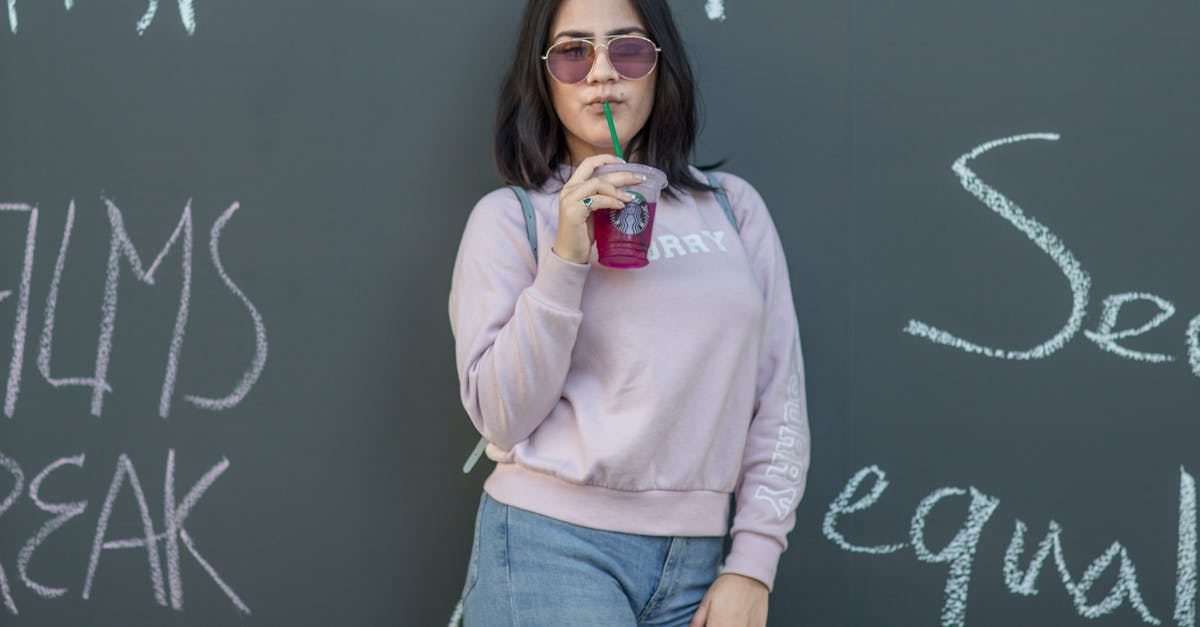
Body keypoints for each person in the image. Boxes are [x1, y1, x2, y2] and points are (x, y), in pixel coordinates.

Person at [448, 0, 810, 624]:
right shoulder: (510, 219)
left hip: (701, 563)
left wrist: (753, 562)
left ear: (659, 67)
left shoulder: (733, 209)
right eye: (571, 52)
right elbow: (501, 418)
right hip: (549, 549)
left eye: (628, 48)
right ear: (543, 78)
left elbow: (779, 398)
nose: (600, 72)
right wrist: (565, 258)